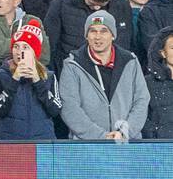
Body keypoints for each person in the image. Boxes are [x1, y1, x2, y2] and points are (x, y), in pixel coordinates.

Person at [58, 9, 150, 140]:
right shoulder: (72, 65)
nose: (98, 37)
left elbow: (141, 100)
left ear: (113, 35)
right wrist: (101, 136)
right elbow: (69, 107)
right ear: (86, 35)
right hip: (87, 145)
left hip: (126, 143)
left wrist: (124, 132)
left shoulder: (130, 61)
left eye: (104, 31)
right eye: (92, 31)